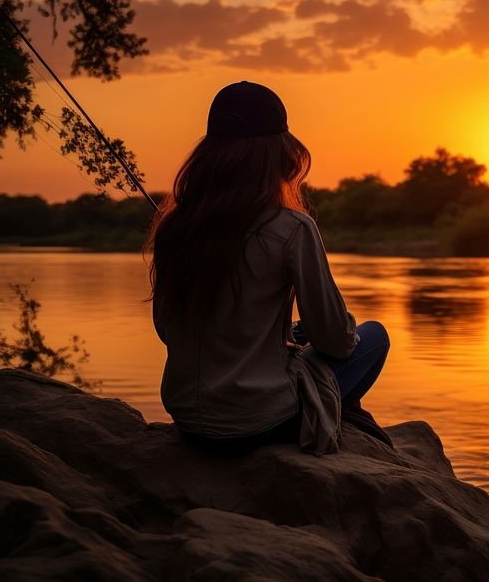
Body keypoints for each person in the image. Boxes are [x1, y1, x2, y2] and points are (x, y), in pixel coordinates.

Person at [146, 81, 389, 456]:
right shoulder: (292, 228)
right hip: (259, 422)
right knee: (373, 337)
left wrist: (278, 340)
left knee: (299, 336)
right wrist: (334, 334)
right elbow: (334, 340)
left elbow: (167, 329)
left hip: (188, 417)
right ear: (278, 154)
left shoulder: (175, 226)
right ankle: (335, 418)